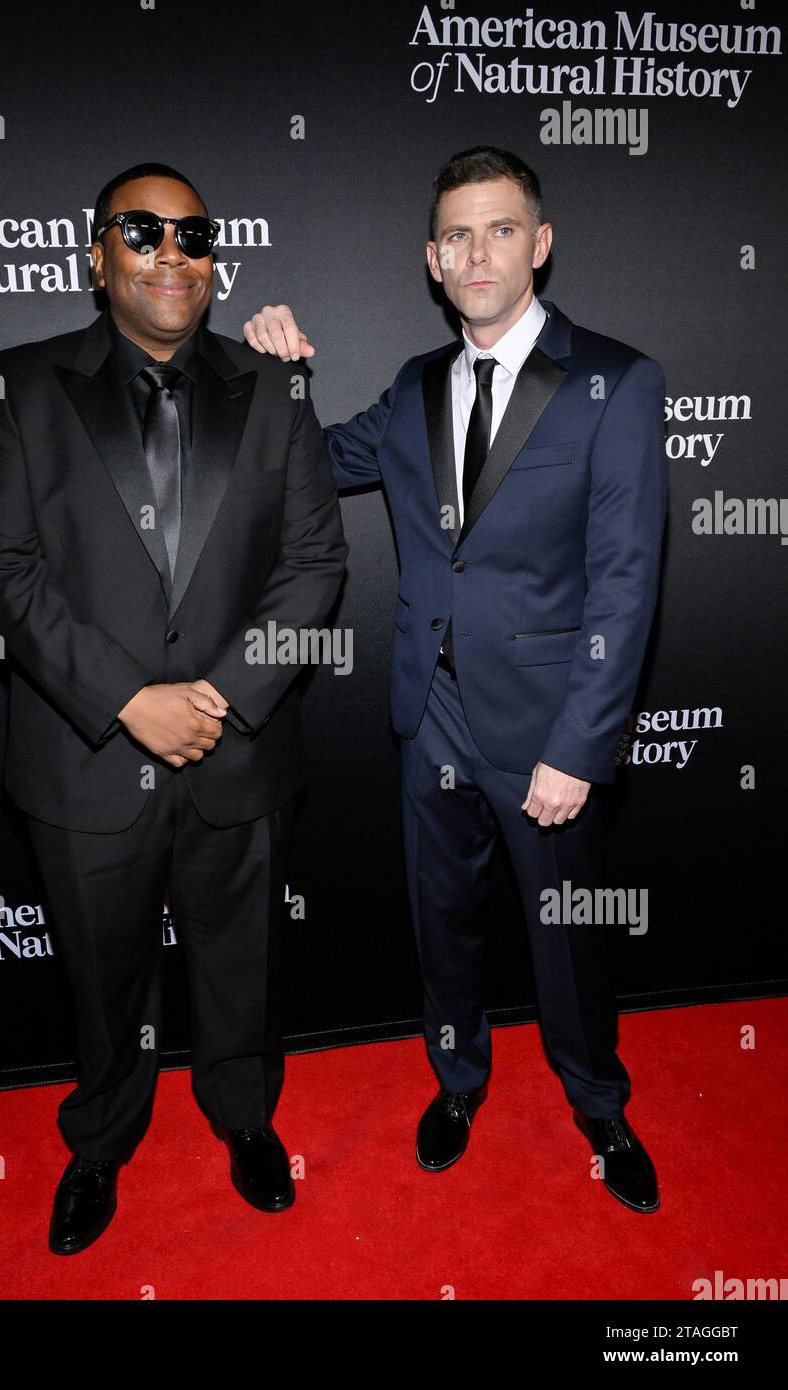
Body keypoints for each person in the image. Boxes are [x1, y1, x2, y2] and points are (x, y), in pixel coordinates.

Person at [243, 146, 667, 1213]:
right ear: (433, 260)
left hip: (546, 729)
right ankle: (459, 1080)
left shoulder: (616, 380)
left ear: (541, 242)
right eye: (457, 235)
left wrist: (579, 747)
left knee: (566, 934)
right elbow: (316, 465)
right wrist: (281, 376)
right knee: (443, 925)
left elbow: (625, 584)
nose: (478, 252)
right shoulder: (417, 386)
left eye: (501, 228)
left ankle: (598, 1103)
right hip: (427, 717)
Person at [0, 162, 347, 1254]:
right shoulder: (23, 385)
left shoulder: (279, 387)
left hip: (241, 746)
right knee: (101, 974)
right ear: (98, 258)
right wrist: (129, 700)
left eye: (193, 232)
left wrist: (218, 697)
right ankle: (100, 1140)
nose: (172, 251)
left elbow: (316, 564)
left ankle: (245, 1117)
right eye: (143, 231)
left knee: (243, 962)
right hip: (85, 755)